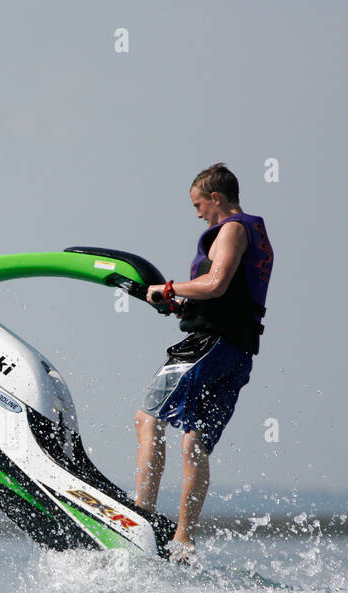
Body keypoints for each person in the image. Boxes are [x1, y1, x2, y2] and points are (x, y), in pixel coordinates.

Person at [134, 163, 274, 562]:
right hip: (238, 353)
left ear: (216, 197)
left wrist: (168, 288)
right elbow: (228, 296)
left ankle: (141, 514)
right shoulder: (257, 233)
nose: (197, 214)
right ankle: (183, 542)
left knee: (147, 418)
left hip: (210, 346)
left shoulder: (232, 228)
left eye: (199, 204)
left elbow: (216, 284)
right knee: (194, 444)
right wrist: (179, 303)